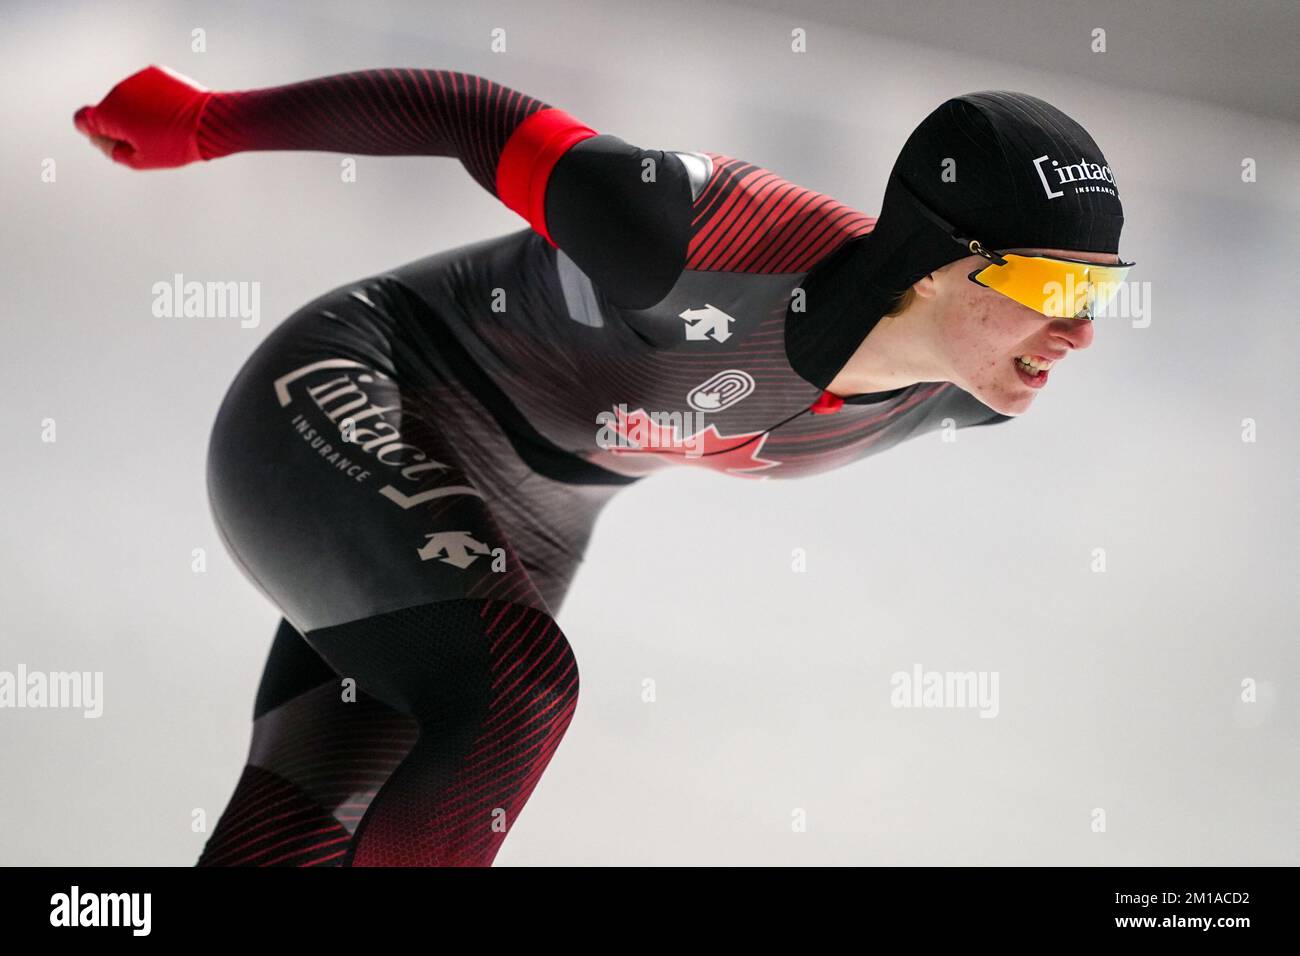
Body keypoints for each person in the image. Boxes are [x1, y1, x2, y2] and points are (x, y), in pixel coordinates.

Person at [73, 64, 1134, 866]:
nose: (1079, 337)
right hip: (365, 382)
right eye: (1053, 285)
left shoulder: (975, 395)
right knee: (515, 691)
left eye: (1099, 293)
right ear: (934, 261)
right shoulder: (695, 235)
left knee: (306, 812)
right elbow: (468, 114)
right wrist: (209, 123)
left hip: (530, 510)